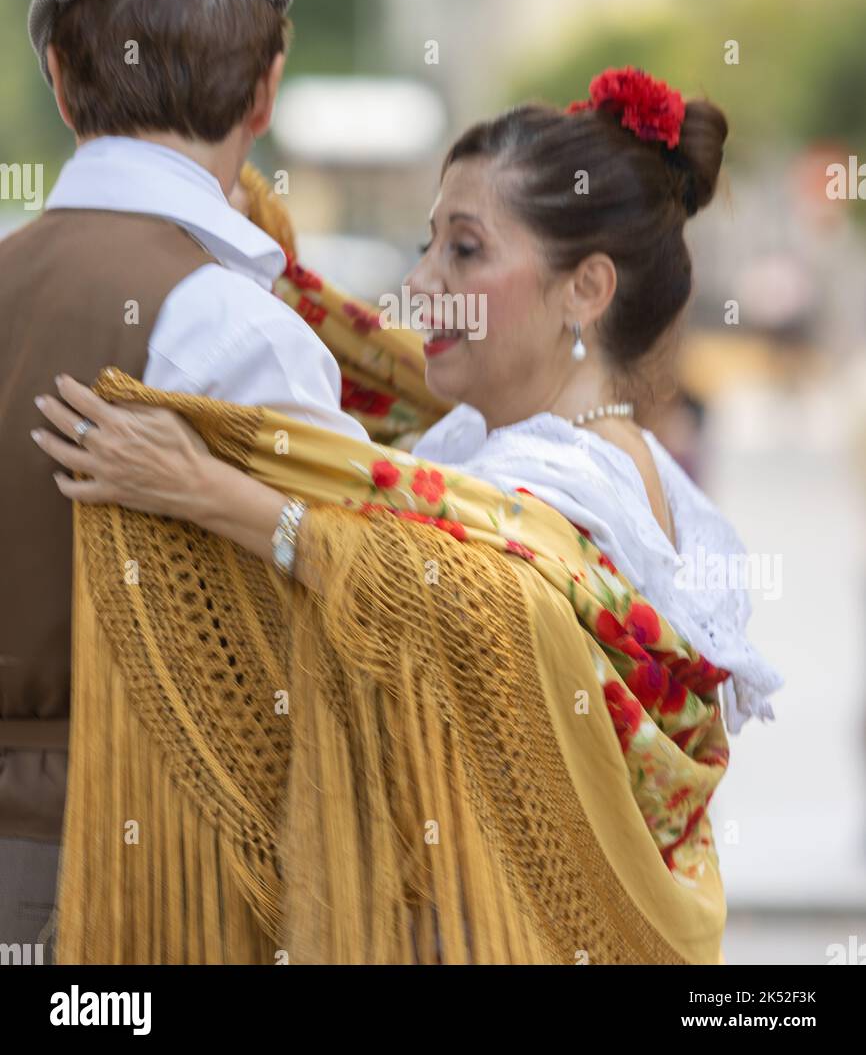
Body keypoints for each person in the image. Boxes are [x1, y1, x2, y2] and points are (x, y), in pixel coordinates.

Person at [34, 67, 781, 733]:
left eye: (464, 249)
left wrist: (202, 488)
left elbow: (441, 610)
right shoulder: (582, 453)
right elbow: (386, 446)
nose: (420, 284)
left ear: (584, 289)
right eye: (429, 244)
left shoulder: (562, 489)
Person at [0, 0, 366, 961]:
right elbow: (351, 609)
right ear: (265, 90)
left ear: (61, 85)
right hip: (143, 870)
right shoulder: (235, 324)